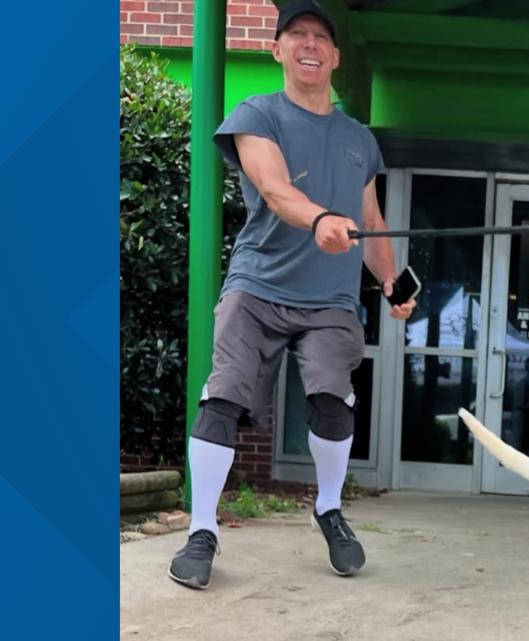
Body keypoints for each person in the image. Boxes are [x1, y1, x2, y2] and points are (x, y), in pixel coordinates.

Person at [168, 0, 415, 590]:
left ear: (334, 56)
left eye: (320, 37)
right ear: (277, 49)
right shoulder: (258, 113)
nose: (309, 43)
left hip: (329, 298)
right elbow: (275, 189)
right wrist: (320, 218)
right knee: (223, 397)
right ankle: (202, 530)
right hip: (258, 286)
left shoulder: (358, 139)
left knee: (333, 399)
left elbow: (371, 222)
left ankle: (329, 508)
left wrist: (390, 281)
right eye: (296, 34)